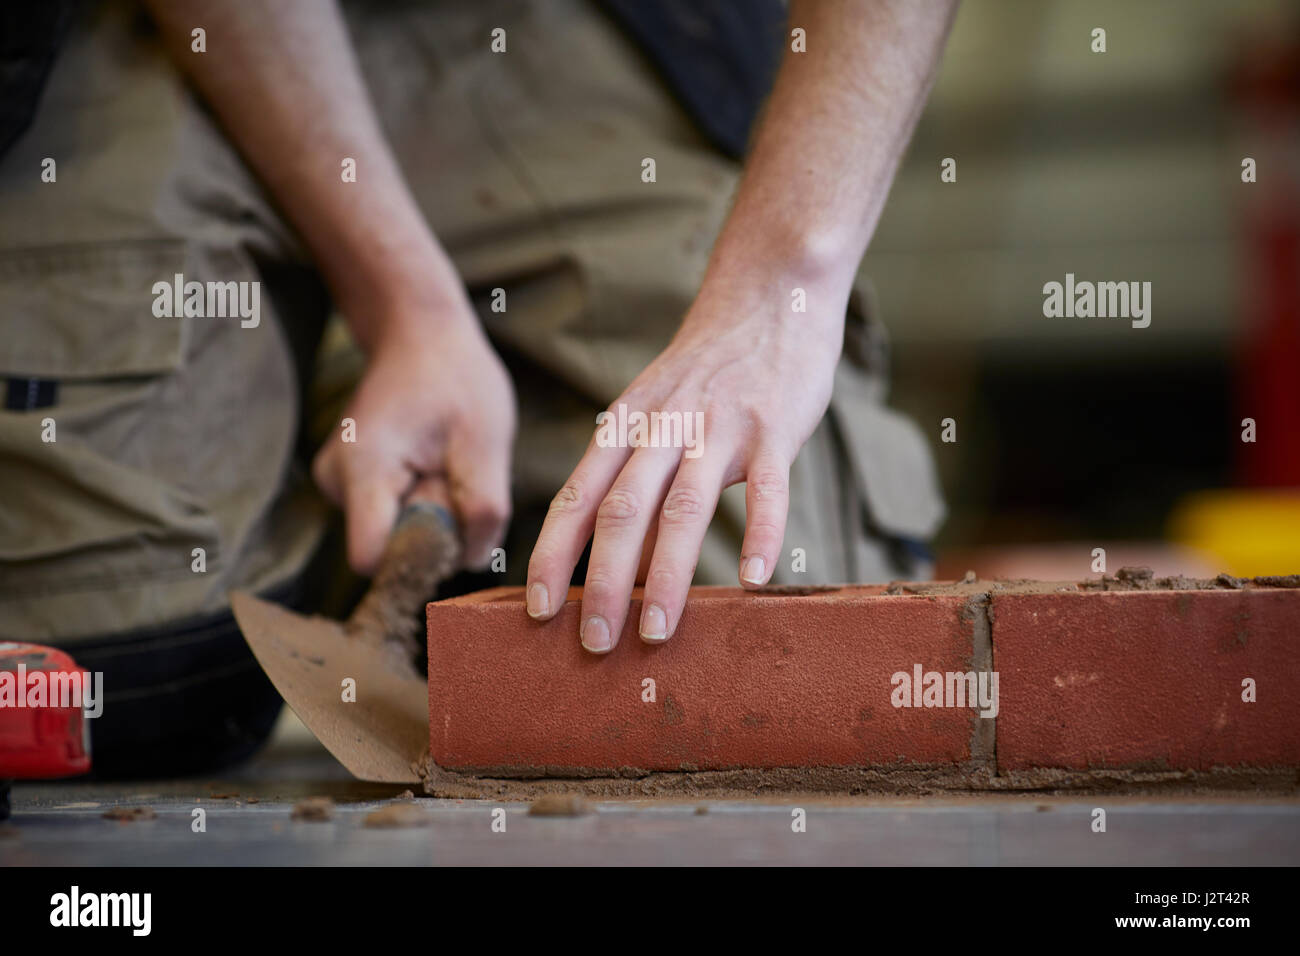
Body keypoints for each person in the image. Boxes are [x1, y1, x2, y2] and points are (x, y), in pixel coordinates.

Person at [0, 0, 951, 775]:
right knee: (128, 669)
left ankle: (413, 455)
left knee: (733, 675)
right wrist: (402, 305)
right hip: (207, 31)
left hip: (582, 34)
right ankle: (343, 428)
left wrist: (781, 284)